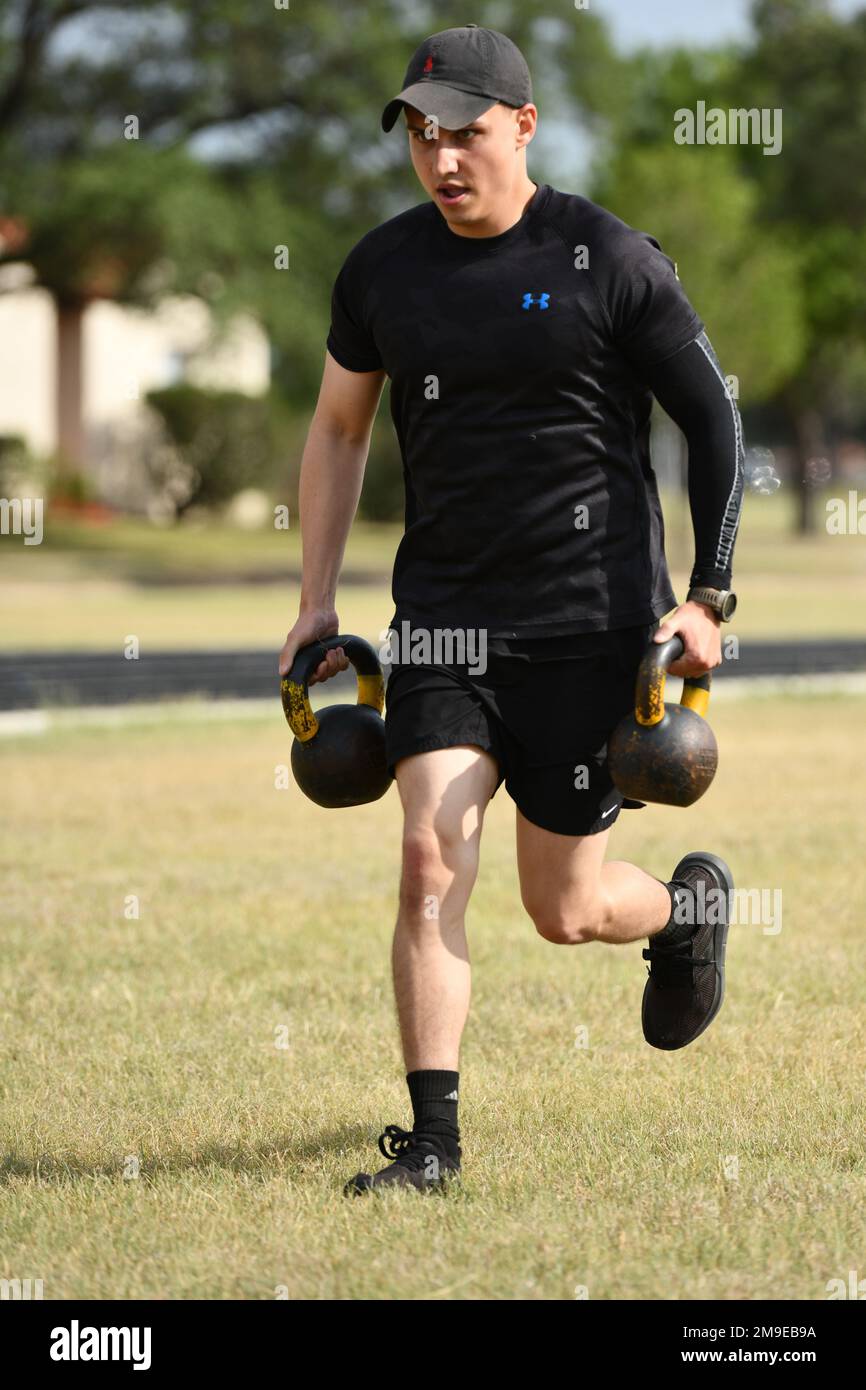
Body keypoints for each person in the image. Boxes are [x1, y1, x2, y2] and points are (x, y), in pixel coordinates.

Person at [277, 25, 744, 1197]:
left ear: (523, 127)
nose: (441, 159)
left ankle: (684, 908)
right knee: (428, 859)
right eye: (422, 135)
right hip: (443, 622)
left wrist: (705, 597)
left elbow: (714, 423)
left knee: (566, 906)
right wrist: (314, 600)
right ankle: (430, 1144)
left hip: (591, 628)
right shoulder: (381, 269)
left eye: (466, 134)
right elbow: (337, 431)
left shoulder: (606, 257)